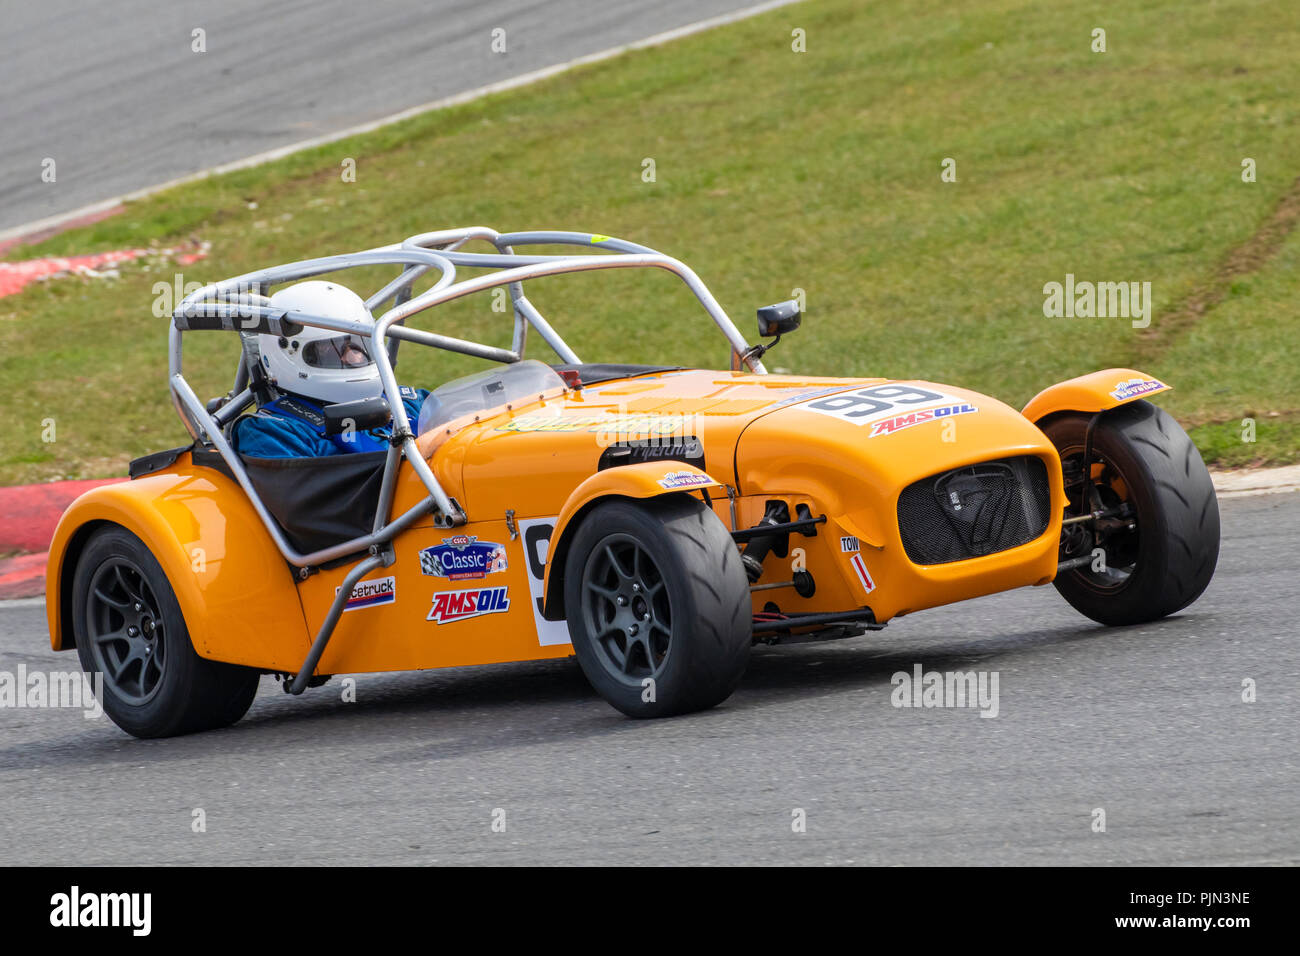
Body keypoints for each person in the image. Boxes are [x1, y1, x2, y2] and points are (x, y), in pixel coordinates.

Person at [232, 280, 427, 458]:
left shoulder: (411, 403)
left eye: (360, 345)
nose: (354, 357)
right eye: (330, 350)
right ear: (288, 354)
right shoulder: (274, 432)